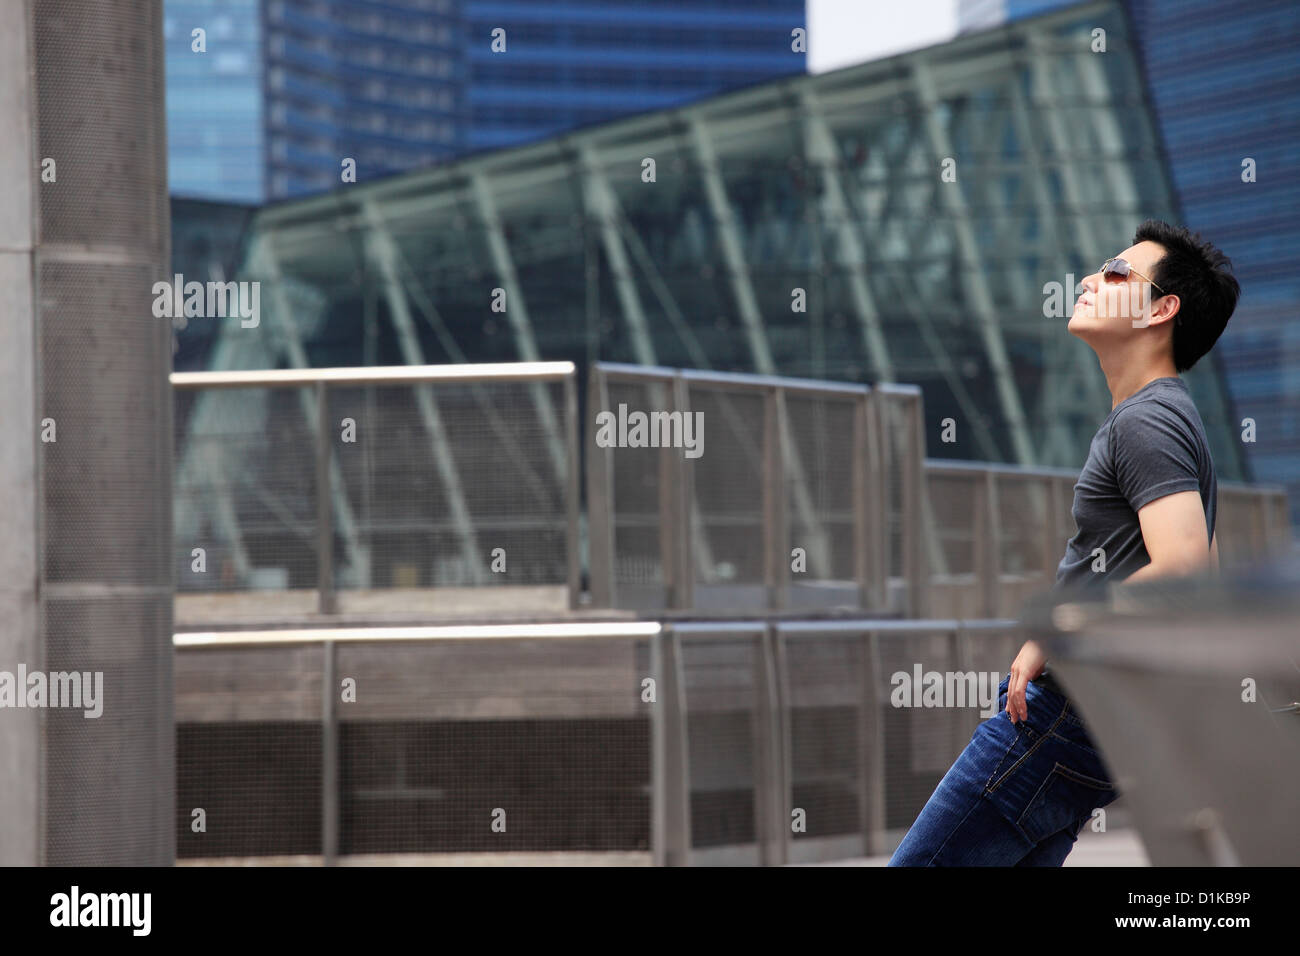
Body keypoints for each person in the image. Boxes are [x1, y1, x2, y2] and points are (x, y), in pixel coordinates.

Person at [888, 220, 1240, 866]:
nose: (1088, 279)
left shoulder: (1147, 420)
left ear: (1163, 309)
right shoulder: (1169, 414)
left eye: (1114, 272)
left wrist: (1052, 632)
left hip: (1061, 713)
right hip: (1097, 721)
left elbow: (1185, 565)